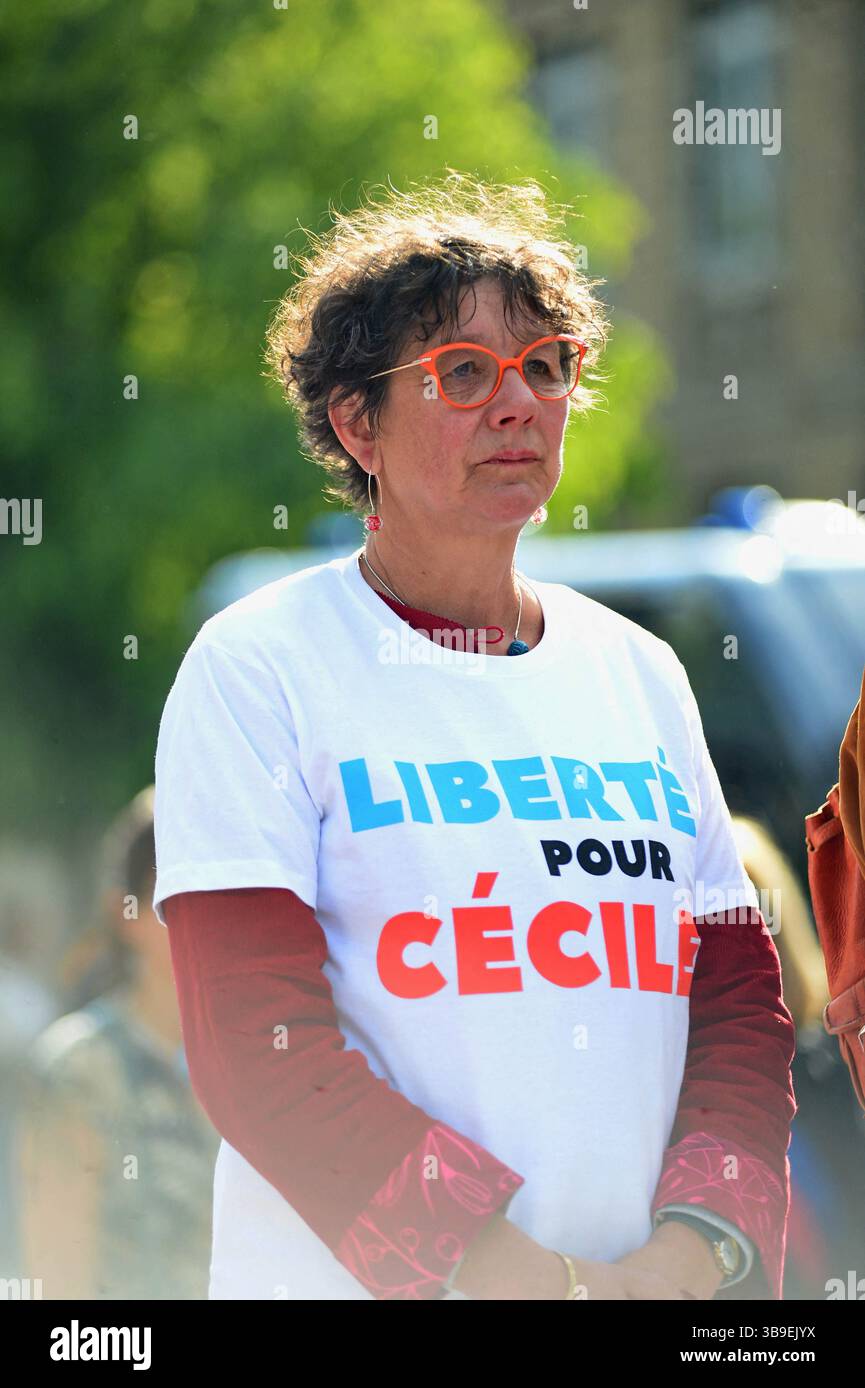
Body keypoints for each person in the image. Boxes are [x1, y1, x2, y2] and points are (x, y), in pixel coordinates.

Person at [153, 171, 796, 1300]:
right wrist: (525, 1280)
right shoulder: (259, 666)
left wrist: (686, 1262)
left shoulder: (639, 673)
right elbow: (257, 1047)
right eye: (462, 373)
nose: (519, 402)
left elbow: (741, 1002)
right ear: (356, 422)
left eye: (545, 364)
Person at [16, 787, 220, 1299]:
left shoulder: (262, 1065)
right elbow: (58, 1286)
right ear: (124, 912)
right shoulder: (80, 1072)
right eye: (174, 898)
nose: (200, 919)